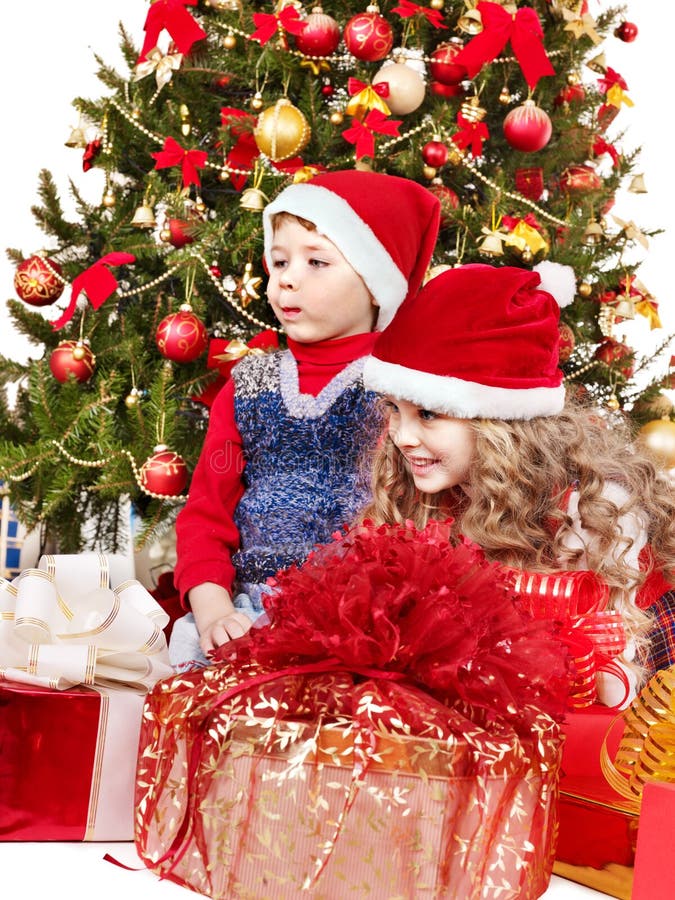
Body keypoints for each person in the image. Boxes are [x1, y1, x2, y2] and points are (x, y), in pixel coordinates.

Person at [362, 262, 675, 707]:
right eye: (394, 408)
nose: (402, 435)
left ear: (501, 424)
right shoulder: (427, 491)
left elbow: (613, 688)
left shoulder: (595, 509)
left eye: (428, 414)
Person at [169, 170, 441, 671]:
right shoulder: (249, 382)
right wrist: (213, 611)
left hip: (366, 627)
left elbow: (428, 516)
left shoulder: (402, 389)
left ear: (377, 283)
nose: (286, 278)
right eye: (279, 261)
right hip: (247, 613)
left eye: (317, 261)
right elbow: (206, 513)